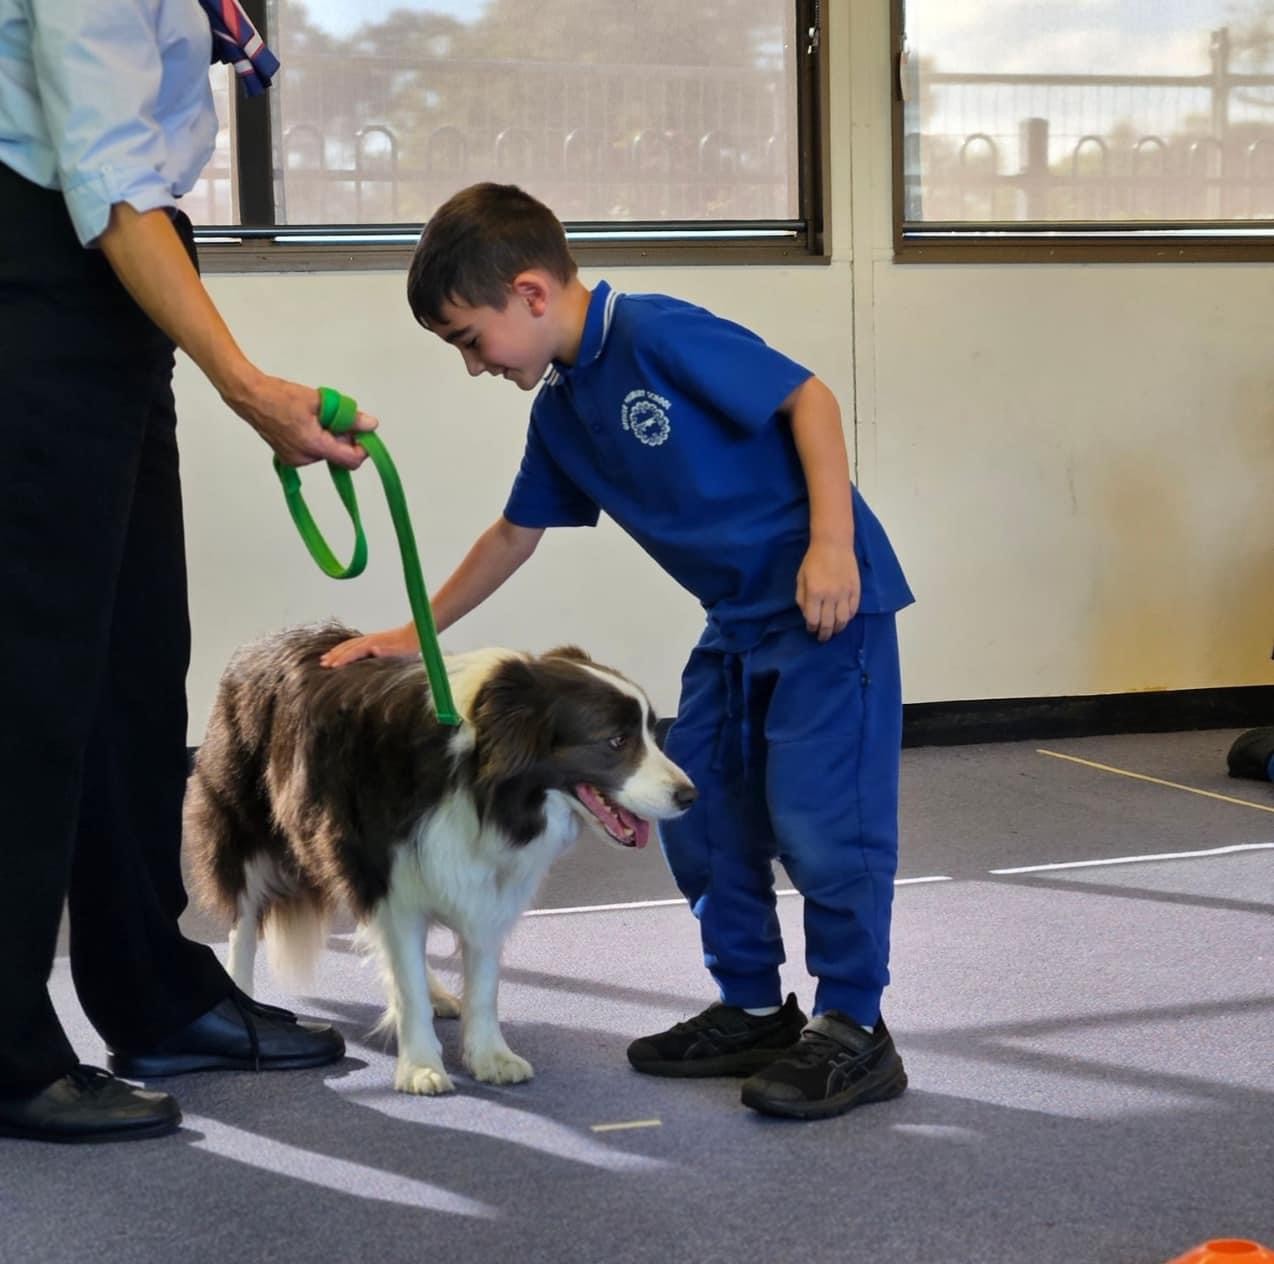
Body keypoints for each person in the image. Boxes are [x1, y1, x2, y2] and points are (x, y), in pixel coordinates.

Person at [322, 182, 916, 1121]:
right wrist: (411, 634)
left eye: (467, 339)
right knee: (701, 813)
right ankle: (756, 1008)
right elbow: (515, 534)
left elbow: (810, 399)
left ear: (528, 293)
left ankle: (854, 1027)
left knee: (821, 825)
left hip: (827, 612)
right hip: (736, 622)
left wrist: (832, 542)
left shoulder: (657, 334)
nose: (473, 366)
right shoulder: (560, 414)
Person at [0, 0, 375, 1143]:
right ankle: (6, 1049)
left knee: (129, 668)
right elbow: (108, 174)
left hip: (111, 292)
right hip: (39, 274)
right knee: (34, 682)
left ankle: (151, 992)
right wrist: (249, 386)